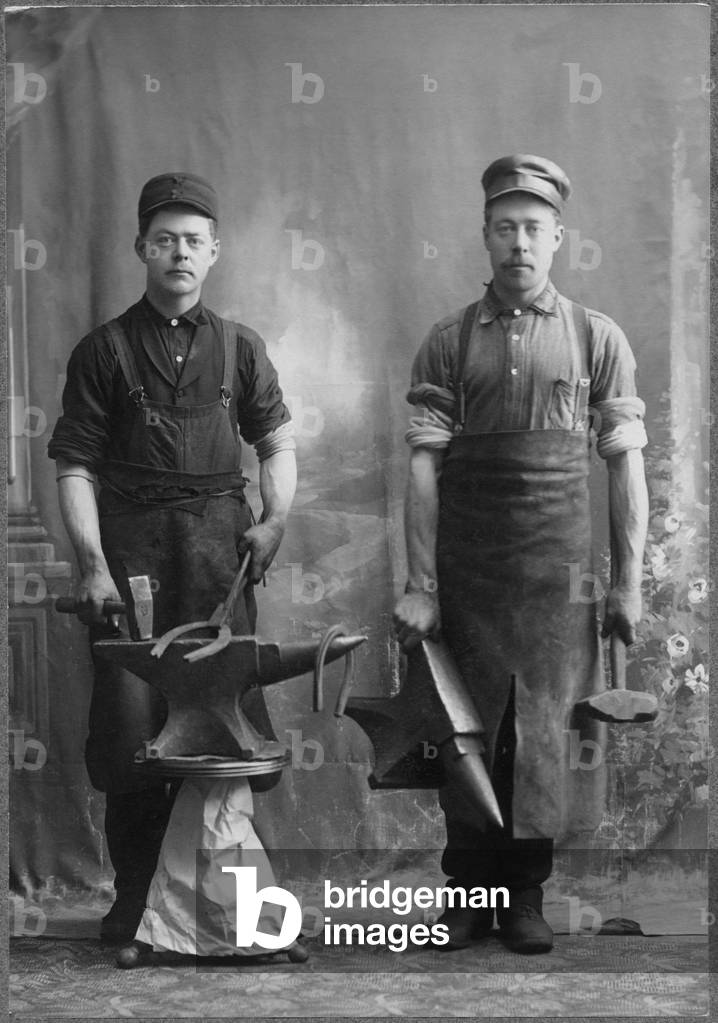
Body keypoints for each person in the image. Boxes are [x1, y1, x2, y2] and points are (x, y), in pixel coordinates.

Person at [393, 155, 648, 954]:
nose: (519, 243)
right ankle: (469, 895)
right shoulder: (447, 342)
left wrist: (628, 582)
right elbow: (423, 466)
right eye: (505, 227)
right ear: (485, 236)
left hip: (556, 578)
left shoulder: (596, 337)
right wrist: (421, 584)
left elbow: (626, 464)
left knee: (539, 734)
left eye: (533, 228)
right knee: (464, 728)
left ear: (558, 237)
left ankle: (525, 897)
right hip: (468, 572)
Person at [48, 172, 297, 944]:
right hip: (132, 564)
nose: (179, 253)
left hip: (220, 561)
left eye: (193, 241)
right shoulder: (103, 350)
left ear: (214, 251)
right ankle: (136, 899)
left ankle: (227, 902)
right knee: (134, 734)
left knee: (224, 724)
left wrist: (276, 520)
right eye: (165, 240)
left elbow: (277, 443)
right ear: (141, 249)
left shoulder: (241, 347)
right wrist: (92, 565)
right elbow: (75, 465)